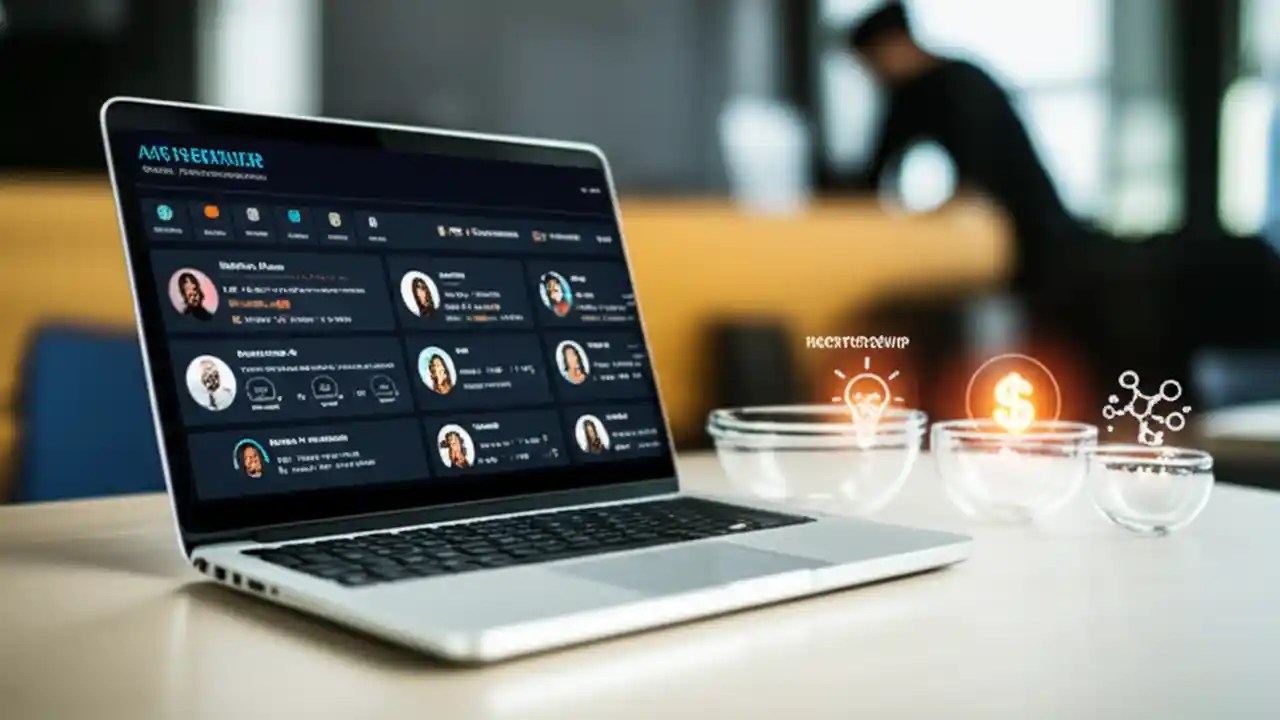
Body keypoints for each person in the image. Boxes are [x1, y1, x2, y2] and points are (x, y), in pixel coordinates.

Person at [847, 2, 1087, 298]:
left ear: (894, 44)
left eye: (871, 61)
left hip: (1032, 228)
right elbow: (876, 172)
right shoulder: (904, 97)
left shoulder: (962, 83)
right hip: (989, 230)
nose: (872, 74)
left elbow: (978, 175)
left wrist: (936, 224)